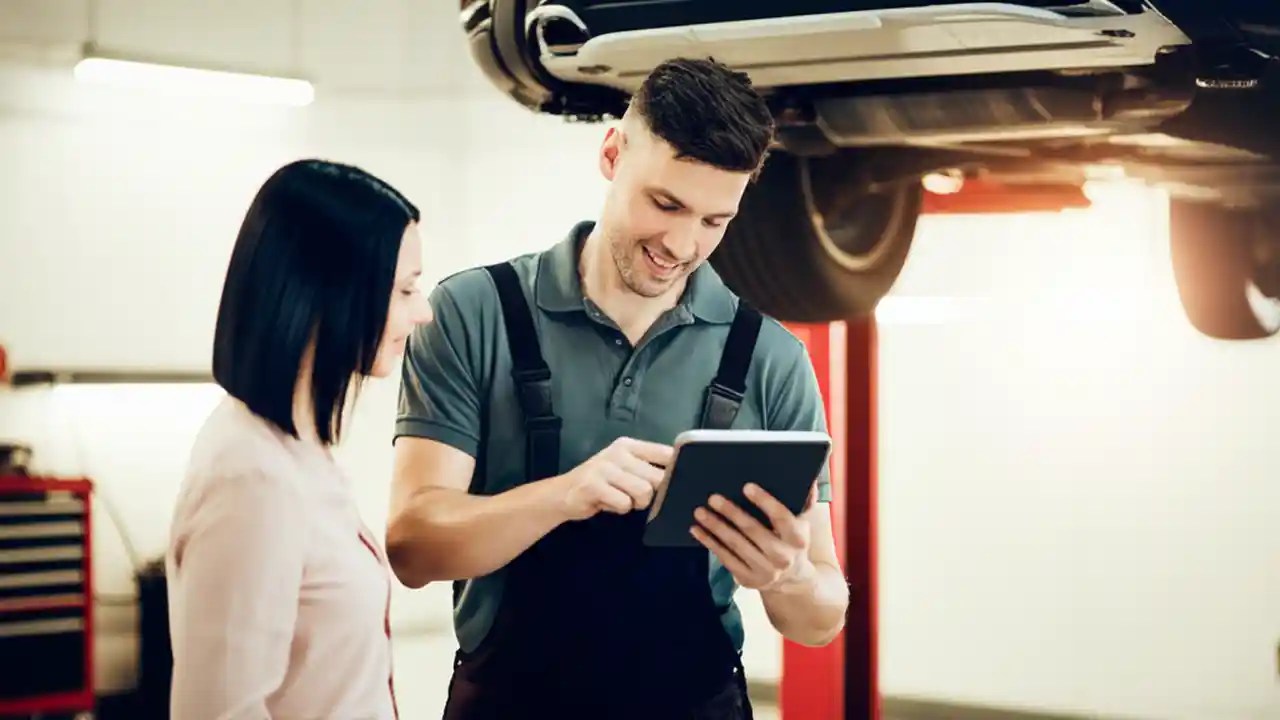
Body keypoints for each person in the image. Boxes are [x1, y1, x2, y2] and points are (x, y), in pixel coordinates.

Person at [387, 58, 848, 719]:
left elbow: (819, 618)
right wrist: (565, 495)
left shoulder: (771, 359)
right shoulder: (474, 314)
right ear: (612, 154)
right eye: (666, 204)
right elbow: (412, 545)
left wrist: (788, 575)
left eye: (715, 221)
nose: (682, 244)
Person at [166, 159, 432, 719]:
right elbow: (220, 711)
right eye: (406, 290)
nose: (423, 312)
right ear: (330, 295)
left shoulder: (298, 448)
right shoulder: (252, 477)